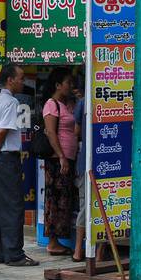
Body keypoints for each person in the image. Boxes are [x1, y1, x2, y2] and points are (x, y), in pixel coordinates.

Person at [0, 63, 37, 266]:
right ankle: (14, 254)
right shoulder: (11, 102)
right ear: (10, 80)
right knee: (13, 206)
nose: (23, 81)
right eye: (21, 78)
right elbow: (2, 132)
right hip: (5, 158)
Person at [42, 69, 79, 256]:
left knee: (65, 198)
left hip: (69, 158)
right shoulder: (51, 105)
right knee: (55, 199)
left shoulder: (69, 104)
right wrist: (61, 156)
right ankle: (52, 241)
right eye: (68, 83)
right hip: (58, 160)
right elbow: (51, 133)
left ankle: (58, 239)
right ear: (58, 85)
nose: (70, 86)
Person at [72, 89, 88, 262]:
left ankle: (78, 250)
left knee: (84, 204)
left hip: (86, 160)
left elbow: (76, 131)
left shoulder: (82, 103)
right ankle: (98, 253)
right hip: (111, 159)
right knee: (105, 205)